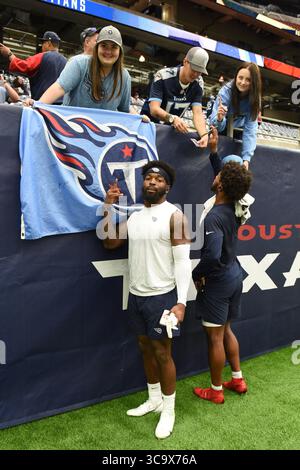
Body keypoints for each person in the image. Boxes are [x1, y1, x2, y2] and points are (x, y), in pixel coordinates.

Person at [101, 161, 191, 439]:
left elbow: (183, 263)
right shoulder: (136, 217)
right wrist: (107, 206)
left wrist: (181, 302)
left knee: (163, 353)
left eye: (158, 179)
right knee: (144, 347)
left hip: (162, 296)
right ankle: (154, 400)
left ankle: (169, 409)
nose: (152, 182)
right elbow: (109, 242)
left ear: (168, 187)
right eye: (148, 178)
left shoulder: (175, 216)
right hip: (136, 295)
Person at [192, 131, 252, 405]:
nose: (214, 176)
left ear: (221, 186)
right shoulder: (235, 204)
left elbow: (212, 257)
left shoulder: (215, 216)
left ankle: (216, 390)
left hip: (218, 280)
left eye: (218, 176)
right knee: (226, 330)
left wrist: (197, 274)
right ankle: (237, 379)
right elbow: (226, 178)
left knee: (215, 337)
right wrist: (214, 153)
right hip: (234, 275)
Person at [34, 25, 131, 112]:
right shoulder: (79, 63)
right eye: (104, 46)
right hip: (71, 127)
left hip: (104, 130)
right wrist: (38, 105)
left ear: (120, 51)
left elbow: (125, 109)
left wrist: (141, 119)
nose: (108, 51)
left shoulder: (124, 76)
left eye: (114, 47)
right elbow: (59, 87)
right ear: (97, 48)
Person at [141, 46, 210, 147]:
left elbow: (198, 112)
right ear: (185, 61)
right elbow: (154, 109)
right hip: (148, 127)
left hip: (168, 133)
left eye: (199, 71)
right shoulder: (163, 75)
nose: (195, 74)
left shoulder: (198, 83)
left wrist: (204, 135)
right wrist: (172, 118)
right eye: (194, 69)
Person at [209, 62, 262, 169]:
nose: (243, 82)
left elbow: (250, 130)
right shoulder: (226, 91)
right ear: (236, 77)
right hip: (220, 127)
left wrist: (246, 159)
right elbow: (215, 127)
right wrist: (220, 118)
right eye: (240, 78)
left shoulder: (255, 99)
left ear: (254, 83)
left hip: (237, 129)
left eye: (248, 80)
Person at [0, 32, 67, 102]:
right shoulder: (66, 62)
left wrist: (9, 54)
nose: (42, 46)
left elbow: (24, 66)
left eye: (43, 43)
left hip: (43, 103)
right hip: (61, 106)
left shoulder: (44, 56)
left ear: (48, 43)